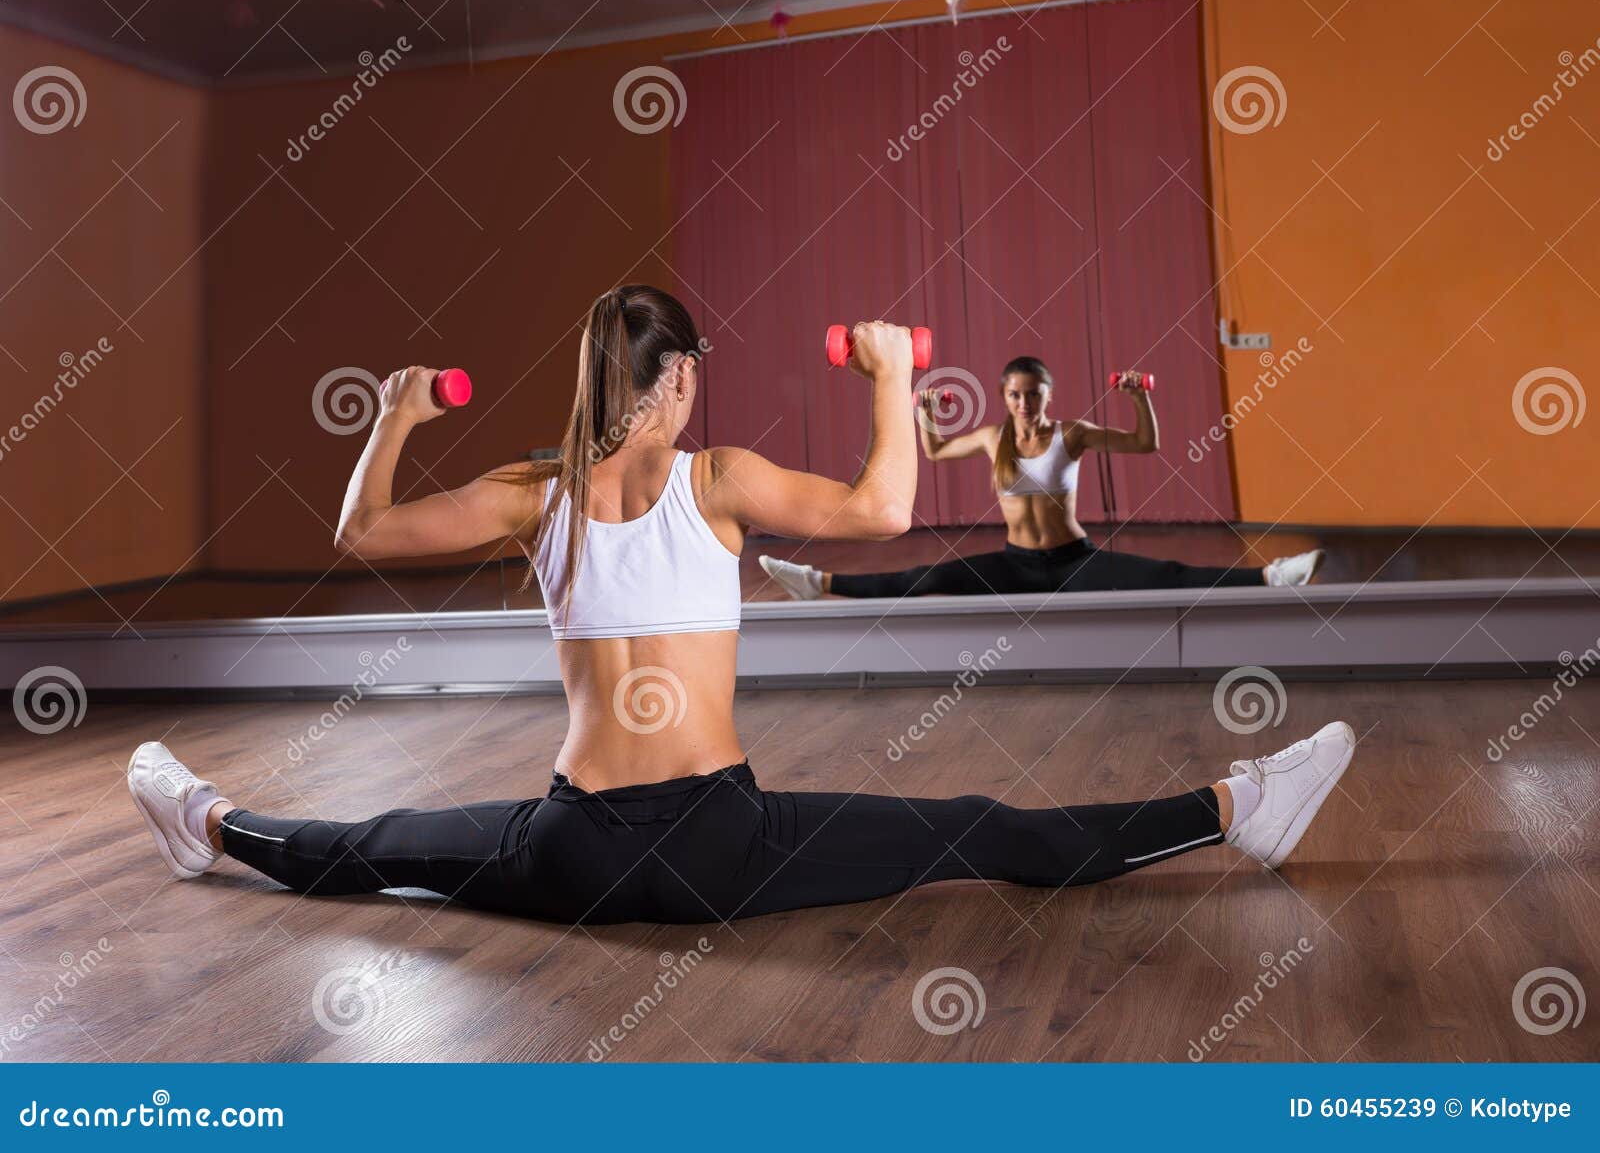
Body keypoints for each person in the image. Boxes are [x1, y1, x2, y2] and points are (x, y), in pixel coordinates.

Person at [127, 286, 1355, 926]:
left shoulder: (530, 494)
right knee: (975, 828)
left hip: (577, 850)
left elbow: (360, 530)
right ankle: (1236, 806)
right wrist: (895, 373)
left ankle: (211, 821)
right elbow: (884, 509)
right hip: (726, 845)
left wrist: (396, 410)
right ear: (680, 377)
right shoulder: (719, 484)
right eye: (696, 367)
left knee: (376, 846)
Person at [760, 356, 1323, 601]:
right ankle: (817, 582)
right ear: (1005, 396)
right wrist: (924, 411)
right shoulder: (991, 437)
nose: (1025, 402)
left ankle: (1272, 578)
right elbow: (932, 452)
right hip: (1014, 561)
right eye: (1015, 394)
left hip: (1071, 560)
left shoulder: (1071, 433)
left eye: (1033, 394)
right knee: (923, 578)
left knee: (1167, 574)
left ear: (1047, 395)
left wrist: (1138, 400)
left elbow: (1144, 444)